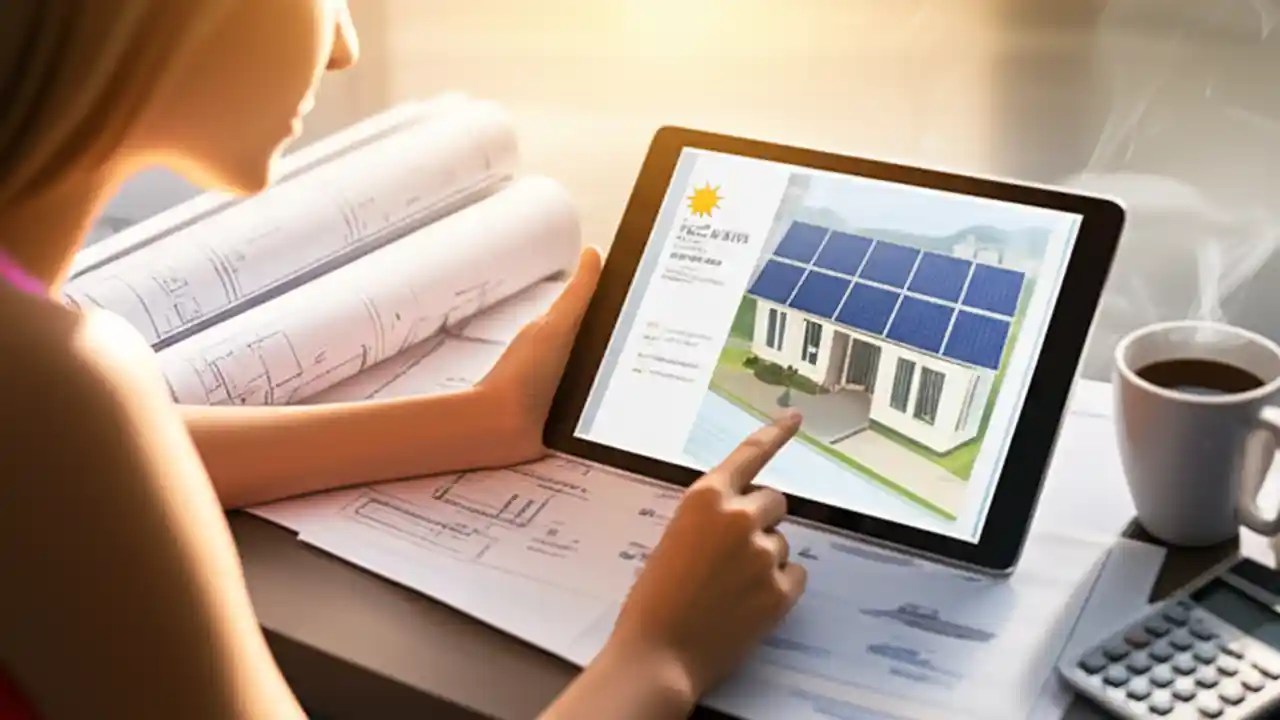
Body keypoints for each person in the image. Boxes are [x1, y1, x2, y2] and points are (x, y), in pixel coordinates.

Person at [0, 2, 808, 718]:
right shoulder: (52, 384)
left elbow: (107, 458)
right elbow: (68, 443)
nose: (345, 44)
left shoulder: (42, 377)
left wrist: (479, 422)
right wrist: (661, 656)